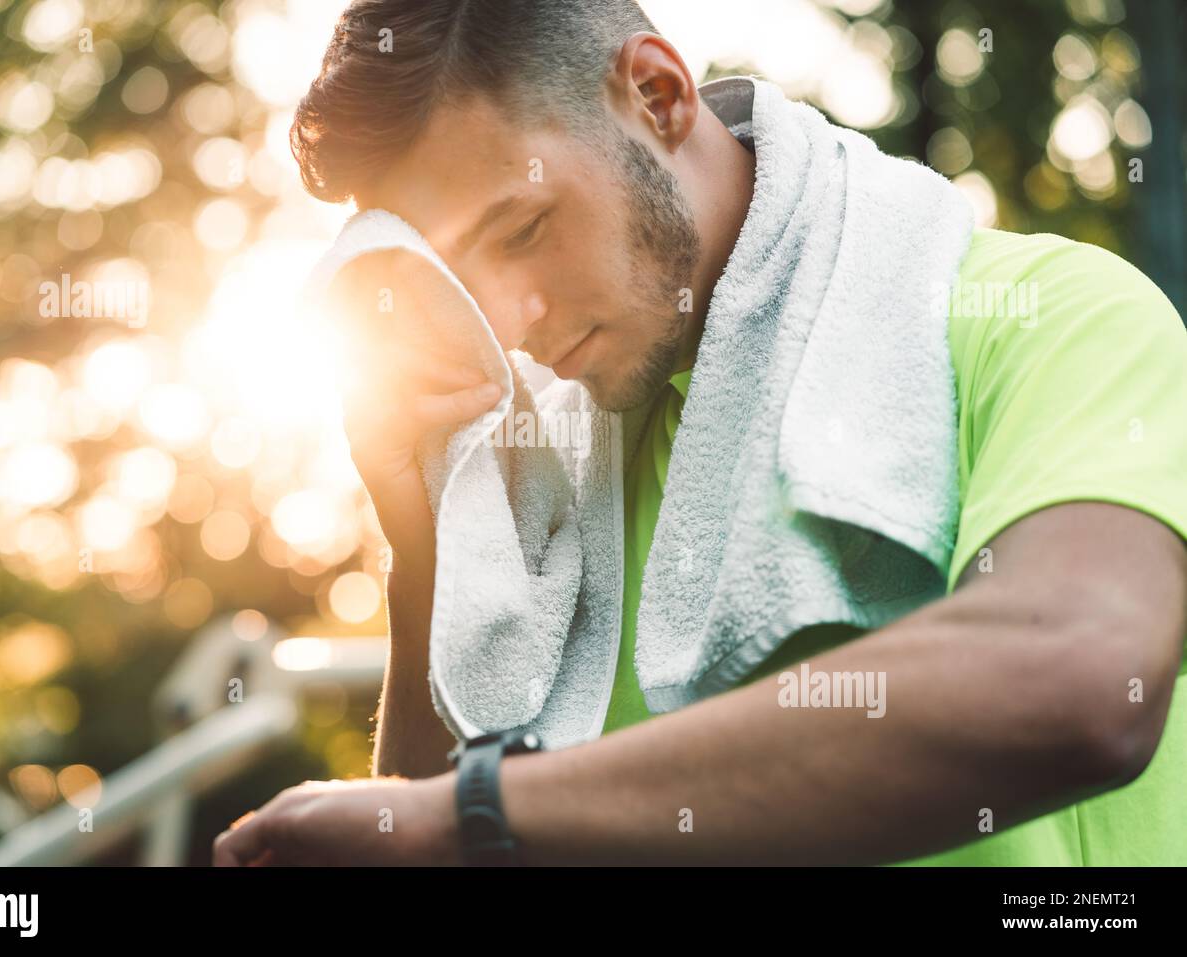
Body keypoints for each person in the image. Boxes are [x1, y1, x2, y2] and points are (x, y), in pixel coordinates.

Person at [213, 0, 1187, 866]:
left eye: (520, 231)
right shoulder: (540, 473)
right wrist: (427, 547)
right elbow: (421, 834)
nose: (507, 322)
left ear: (658, 93)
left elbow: (1080, 679)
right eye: (461, 277)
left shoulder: (1054, 316)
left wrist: (472, 815)